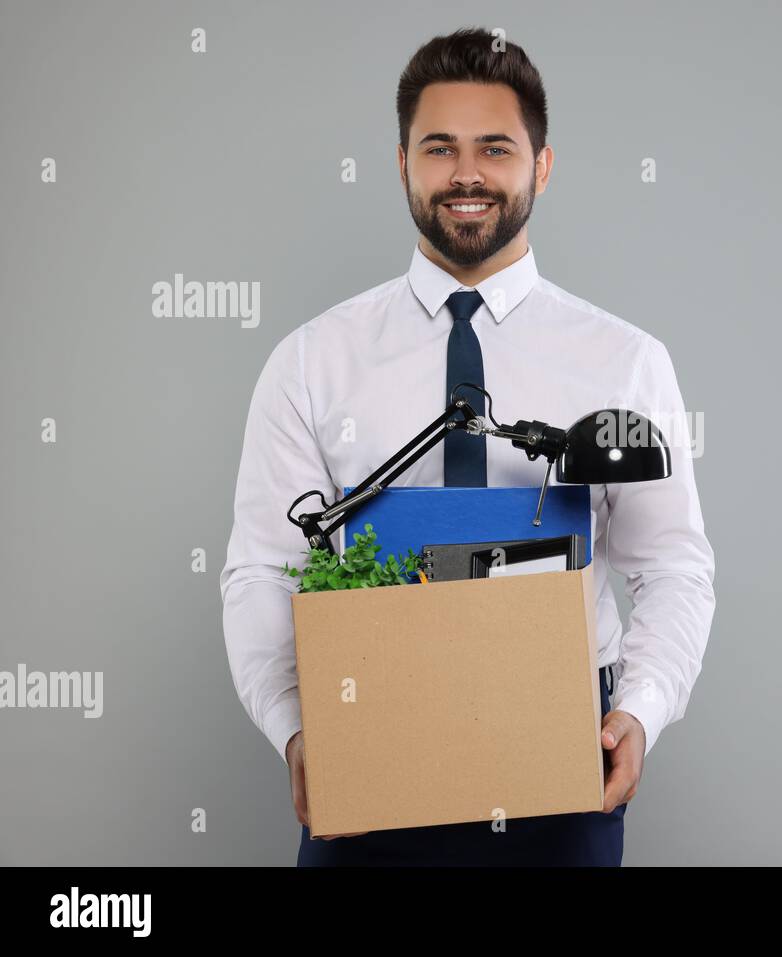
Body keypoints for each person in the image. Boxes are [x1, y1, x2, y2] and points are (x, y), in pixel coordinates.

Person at [219, 27, 716, 866]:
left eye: (496, 147)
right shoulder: (311, 361)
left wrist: (640, 710)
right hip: (367, 731)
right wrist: (299, 732)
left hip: (562, 750)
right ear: (403, 164)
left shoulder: (625, 361)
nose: (467, 174)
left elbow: (672, 568)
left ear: (542, 166)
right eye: (438, 147)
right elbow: (263, 568)